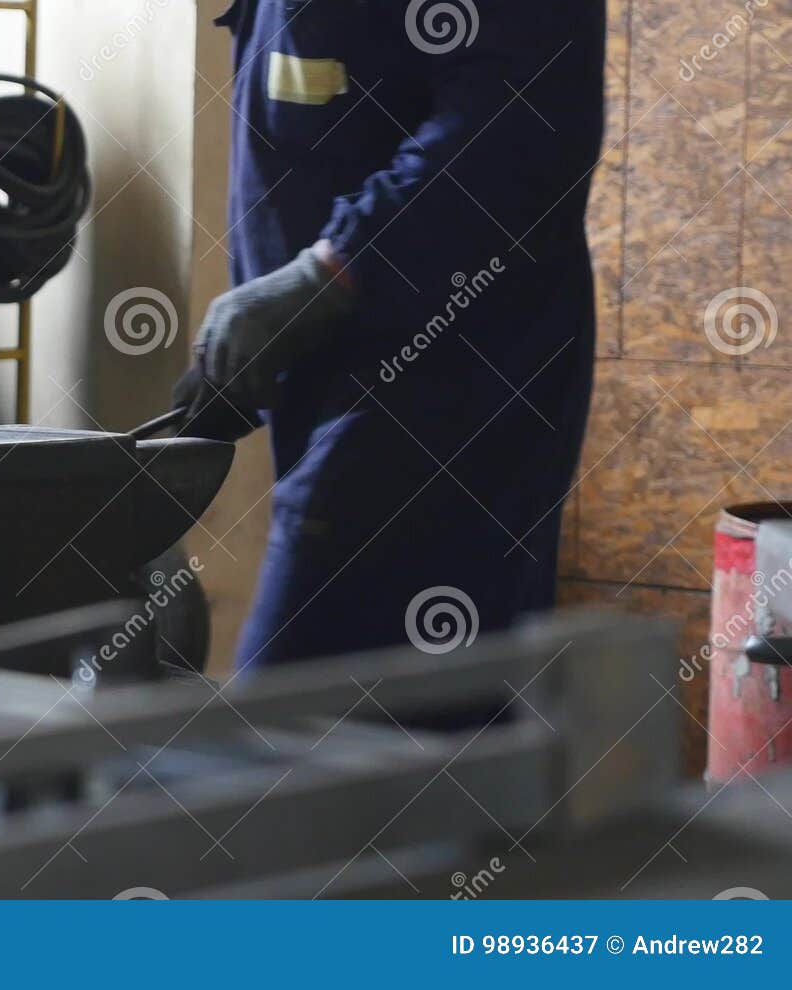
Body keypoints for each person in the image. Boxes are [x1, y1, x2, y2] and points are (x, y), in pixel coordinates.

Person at [176, 0, 606, 670]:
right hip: (332, 370)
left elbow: (524, 118)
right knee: (410, 733)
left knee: (296, 723)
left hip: (453, 372)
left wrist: (327, 274)